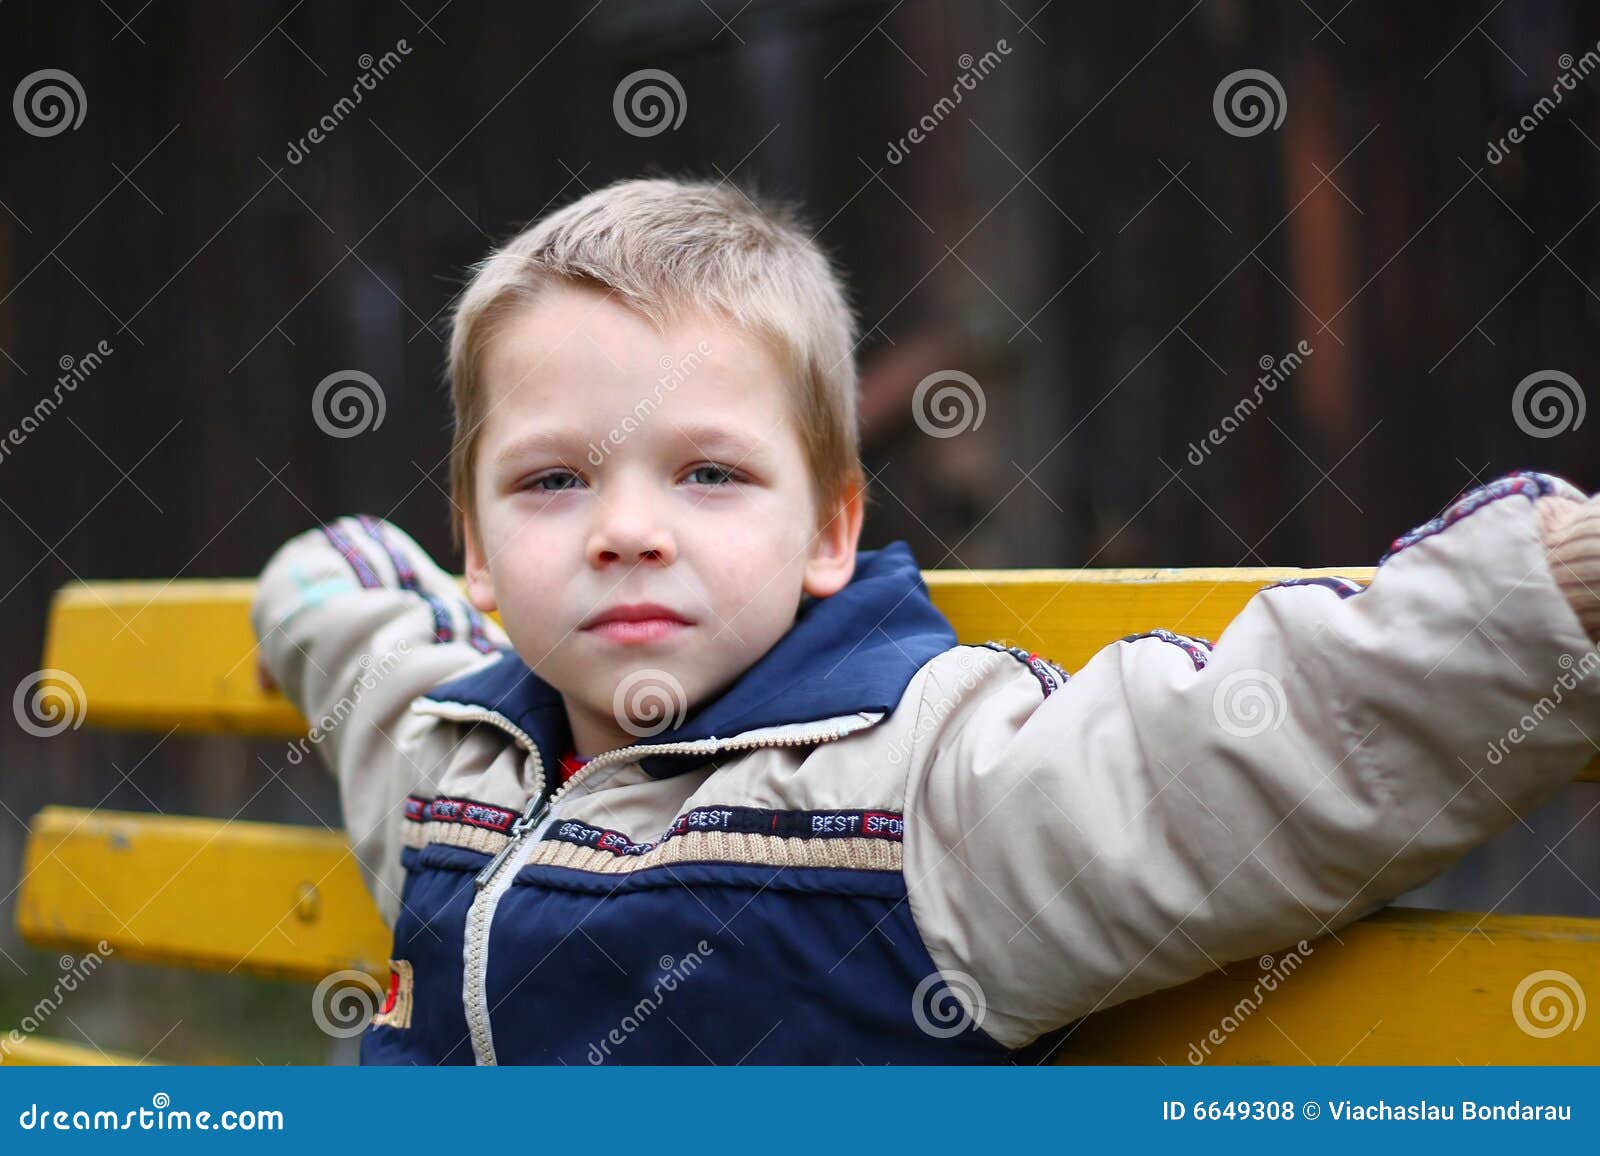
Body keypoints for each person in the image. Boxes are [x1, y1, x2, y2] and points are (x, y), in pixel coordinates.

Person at [251, 177, 1600, 1065]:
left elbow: (1241, 759)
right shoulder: (448, 758)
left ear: (829, 530)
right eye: (553, 482)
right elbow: (356, 630)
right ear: (476, 547)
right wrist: (320, 577)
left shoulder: (922, 792)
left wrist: (1549, 594)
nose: (627, 528)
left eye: (710, 474)